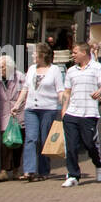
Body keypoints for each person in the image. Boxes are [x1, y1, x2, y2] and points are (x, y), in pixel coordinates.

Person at [14, 43, 66, 181]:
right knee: (31, 138)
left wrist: (64, 106)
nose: (32, 55)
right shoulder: (31, 69)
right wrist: (17, 105)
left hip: (48, 109)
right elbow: (25, 88)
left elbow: (60, 90)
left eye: (34, 53)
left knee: (44, 140)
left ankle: (43, 170)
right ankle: (29, 170)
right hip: (31, 108)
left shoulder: (54, 70)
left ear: (42, 55)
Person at [60, 42, 101, 187]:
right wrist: (64, 109)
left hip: (89, 113)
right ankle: (73, 175)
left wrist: (99, 92)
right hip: (72, 113)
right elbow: (67, 91)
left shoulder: (97, 68)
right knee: (71, 146)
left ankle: (98, 164)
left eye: (75, 52)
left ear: (84, 53)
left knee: (89, 143)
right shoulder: (71, 71)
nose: (73, 55)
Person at [0, 55, 25, 181]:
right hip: (5, 114)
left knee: (17, 142)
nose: (0, 70)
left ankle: (16, 169)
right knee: (5, 143)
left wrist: (18, 107)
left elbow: (24, 94)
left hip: (19, 114)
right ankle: (3, 171)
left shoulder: (20, 77)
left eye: (2, 67)